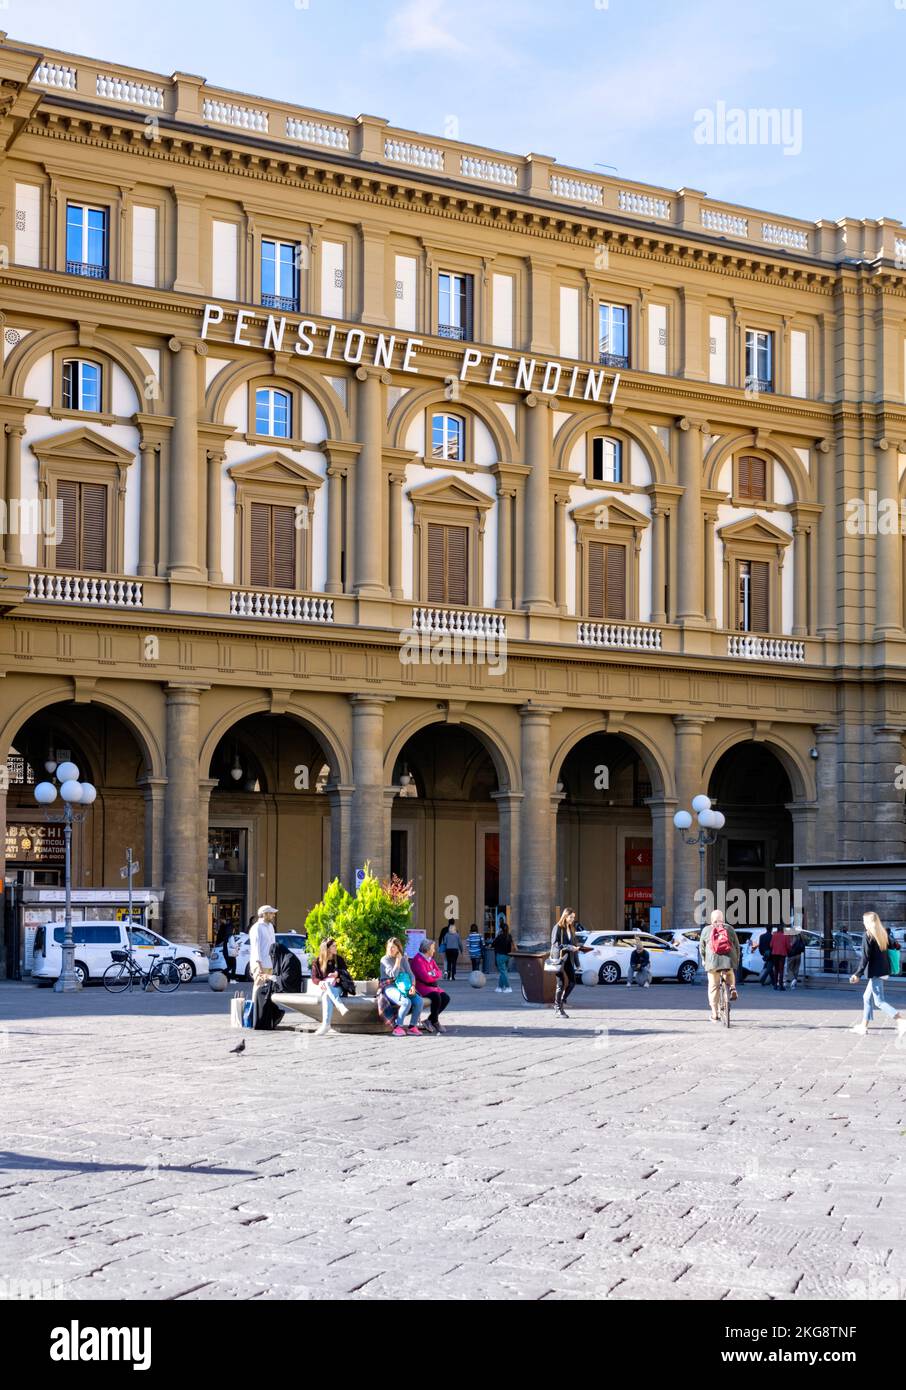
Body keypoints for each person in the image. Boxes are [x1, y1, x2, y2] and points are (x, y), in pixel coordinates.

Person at [849, 911, 906, 1037]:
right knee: (866, 997)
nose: (863, 923)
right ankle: (864, 1026)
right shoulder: (883, 933)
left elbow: (865, 957)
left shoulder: (868, 935)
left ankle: (900, 1019)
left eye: (864, 920)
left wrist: (857, 974)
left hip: (876, 972)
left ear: (868, 922)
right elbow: (897, 945)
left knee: (879, 1002)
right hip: (883, 970)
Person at [698, 908, 740, 1022]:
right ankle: (732, 987)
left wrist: (703, 960)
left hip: (712, 963)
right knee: (729, 972)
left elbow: (701, 948)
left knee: (713, 987)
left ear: (711, 920)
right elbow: (737, 945)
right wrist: (736, 960)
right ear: (723, 919)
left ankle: (714, 1015)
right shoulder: (729, 928)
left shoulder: (706, 930)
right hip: (728, 961)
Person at [380, 937, 424, 1035]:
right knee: (406, 1002)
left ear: (398, 948)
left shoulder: (403, 958)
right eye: (389, 947)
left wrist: (413, 986)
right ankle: (398, 1027)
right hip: (390, 986)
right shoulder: (384, 959)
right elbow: (393, 974)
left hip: (404, 986)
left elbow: (411, 974)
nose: (390, 950)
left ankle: (412, 1027)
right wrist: (398, 961)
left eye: (393, 947)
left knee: (419, 1001)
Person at [310, 937, 352, 1036]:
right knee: (326, 991)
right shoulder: (317, 962)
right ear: (327, 948)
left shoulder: (339, 959)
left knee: (327, 994)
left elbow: (346, 973)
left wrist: (337, 974)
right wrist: (320, 982)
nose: (336, 947)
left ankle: (326, 1024)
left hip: (338, 987)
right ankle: (339, 1006)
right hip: (324, 988)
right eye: (334, 946)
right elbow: (314, 978)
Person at [550, 909, 588, 1018]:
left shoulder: (571, 928)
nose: (572, 919)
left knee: (572, 982)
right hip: (559, 959)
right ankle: (558, 1008)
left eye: (573, 917)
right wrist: (569, 947)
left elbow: (574, 945)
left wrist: (577, 963)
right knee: (560, 984)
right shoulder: (557, 927)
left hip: (569, 959)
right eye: (571, 917)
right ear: (565, 916)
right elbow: (555, 944)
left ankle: (561, 1000)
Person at [410, 939, 450, 1033]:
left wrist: (432, 974)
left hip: (432, 986)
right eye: (433, 948)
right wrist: (432, 974)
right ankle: (435, 1021)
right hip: (421, 986)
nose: (434, 951)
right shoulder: (418, 960)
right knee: (436, 997)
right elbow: (425, 977)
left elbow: (439, 973)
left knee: (446, 998)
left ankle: (429, 1020)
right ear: (427, 949)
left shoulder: (430, 959)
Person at [249, 905, 277, 988]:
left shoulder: (271, 927)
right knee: (259, 987)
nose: (273, 915)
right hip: (260, 964)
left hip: (270, 963)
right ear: (264, 914)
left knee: (269, 988)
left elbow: (273, 945)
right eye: (271, 913)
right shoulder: (256, 928)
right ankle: (255, 1001)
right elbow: (255, 948)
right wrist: (259, 966)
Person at [493, 919, 514, 993]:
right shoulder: (509, 936)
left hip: (500, 956)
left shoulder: (499, 936)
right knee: (504, 971)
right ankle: (500, 987)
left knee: (503, 972)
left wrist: (497, 935)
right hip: (507, 956)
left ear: (501, 929)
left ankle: (508, 987)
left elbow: (493, 944)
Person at [770, 922, 790, 991]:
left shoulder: (774, 935)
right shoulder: (786, 935)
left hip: (775, 954)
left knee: (776, 969)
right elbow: (788, 946)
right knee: (781, 970)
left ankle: (775, 985)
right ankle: (781, 985)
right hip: (782, 954)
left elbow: (771, 945)